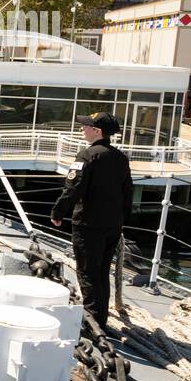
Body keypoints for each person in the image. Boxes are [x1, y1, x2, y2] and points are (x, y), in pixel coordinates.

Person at [51, 113, 134, 331]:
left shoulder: (86, 156)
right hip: (112, 226)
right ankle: (101, 317)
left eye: (85, 126)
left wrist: (58, 212)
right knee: (102, 271)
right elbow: (128, 193)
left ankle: (93, 324)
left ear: (96, 131)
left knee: (87, 272)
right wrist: (122, 221)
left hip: (88, 224)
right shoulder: (120, 158)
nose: (81, 130)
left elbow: (73, 188)